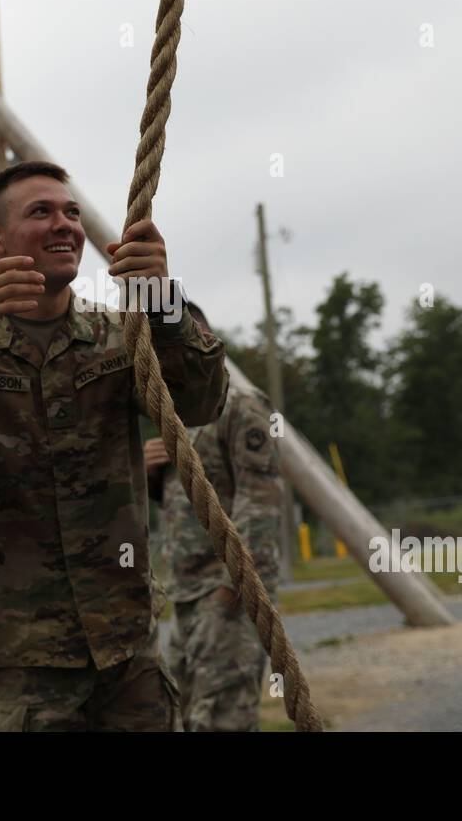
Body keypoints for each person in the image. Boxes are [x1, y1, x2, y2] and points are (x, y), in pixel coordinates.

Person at [0, 160, 228, 731]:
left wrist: (165, 302)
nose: (66, 226)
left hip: (125, 649)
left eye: (72, 212)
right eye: (42, 212)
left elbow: (203, 403)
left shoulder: (118, 336)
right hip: (22, 664)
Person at [145, 304, 283, 731]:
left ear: (201, 335)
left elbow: (259, 503)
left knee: (223, 718)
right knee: (184, 716)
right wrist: (149, 474)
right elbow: (183, 505)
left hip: (227, 593)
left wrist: (234, 590)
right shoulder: (175, 416)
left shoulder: (241, 407)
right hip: (187, 593)